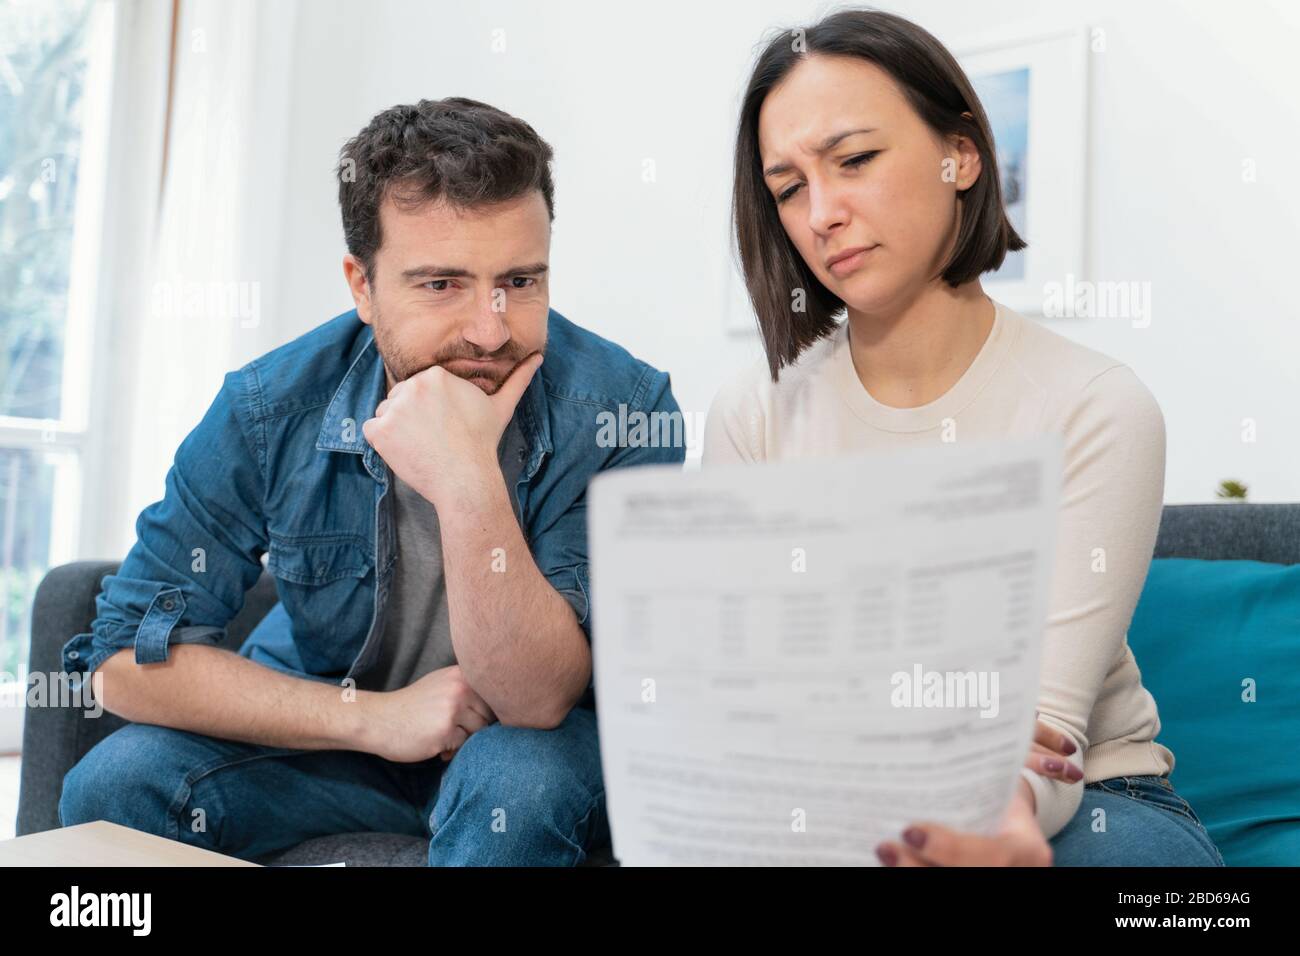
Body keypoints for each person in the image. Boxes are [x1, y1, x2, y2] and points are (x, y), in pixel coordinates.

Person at [59, 97, 684, 866]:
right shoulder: (269, 407)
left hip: (535, 751)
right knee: (114, 785)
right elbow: (124, 662)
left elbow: (536, 698)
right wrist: (372, 717)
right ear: (362, 285)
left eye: (519, 281)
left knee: (517, 784)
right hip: (340, 742)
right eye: (441, 285)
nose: (490, 329)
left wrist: (466, 480)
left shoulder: (624, 410)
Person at [705, 8, 1223, 866]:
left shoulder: (1097, 405)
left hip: (1092, 795)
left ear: (963, 156)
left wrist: (992, 812)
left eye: (856, 160)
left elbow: (1044, 732)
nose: (822, 212)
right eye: (789, 186)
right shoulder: (753, 413)